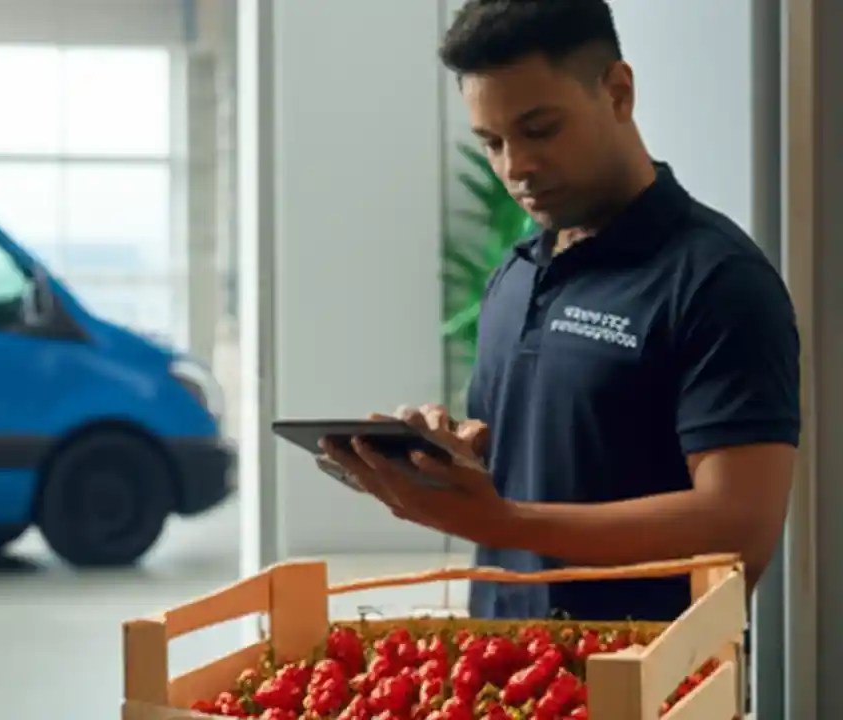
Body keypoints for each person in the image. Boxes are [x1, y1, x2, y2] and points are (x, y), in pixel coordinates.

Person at [322, 0, 800, 622]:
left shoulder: (718, 280)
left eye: (540, 130)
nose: (515, 166)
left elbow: (739, 528)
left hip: (651, 673)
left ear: (618, 92)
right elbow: (536, 464)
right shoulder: (515, 275)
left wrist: (506, 522)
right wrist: (447, 459)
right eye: (492, 142)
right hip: (503, 665)